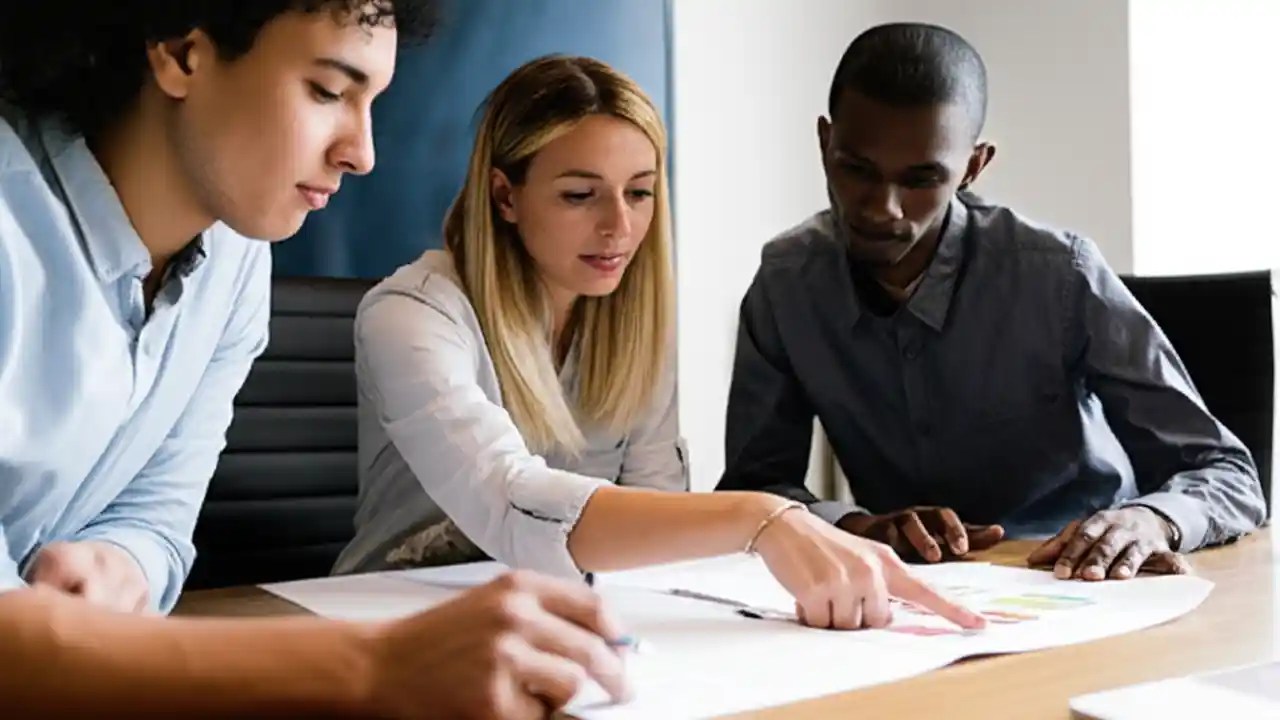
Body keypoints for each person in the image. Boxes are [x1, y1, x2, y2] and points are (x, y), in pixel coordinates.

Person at [0, 3, 642, 717]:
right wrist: (377, 665)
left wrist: (116, 568)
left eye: (372, 104)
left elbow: (155, 519)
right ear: (183, 52)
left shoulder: (237, 265)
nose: (362, 152)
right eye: (329, 92)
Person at [339, 53, 988, 635]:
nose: (620, 227)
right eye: (579, 195)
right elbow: (510, 501)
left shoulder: (635, 319)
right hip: (385, 624)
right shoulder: (410, 315)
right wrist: (763, 517)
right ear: (506, 195)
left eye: (641, 192)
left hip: (557, 620)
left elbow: (658, 524)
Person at [718, 22, 1266, 583]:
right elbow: (752, 490)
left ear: (973, 167)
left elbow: (1226, 473)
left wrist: (1152, 520)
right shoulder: (786, 284)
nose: (883, 208)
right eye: (856, 169)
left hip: (1083, 581)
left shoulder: (1061, 274)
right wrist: (856, 526)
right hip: (910, 592)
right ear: (824, 142)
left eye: (921, 178)